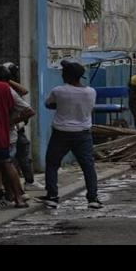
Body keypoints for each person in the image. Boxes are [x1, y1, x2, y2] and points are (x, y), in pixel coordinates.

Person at [43, 59, 102, 210]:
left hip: (61, 132)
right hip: (83, 133)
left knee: (52, 164)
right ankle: (93, 198)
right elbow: (90, 109)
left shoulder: (59, 91)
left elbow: (48, 104)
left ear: (66, 76)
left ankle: (52, 196)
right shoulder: (91, 92)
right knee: (88, 166)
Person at [0, 65, 34, 208]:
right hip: (2, 133)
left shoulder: (6, 90)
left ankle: (15, 194)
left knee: (5, 165)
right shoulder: (2, 89)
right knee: (2, 166)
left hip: (6, 135)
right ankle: (10, 194)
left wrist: (8, 123)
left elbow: (29, 110)